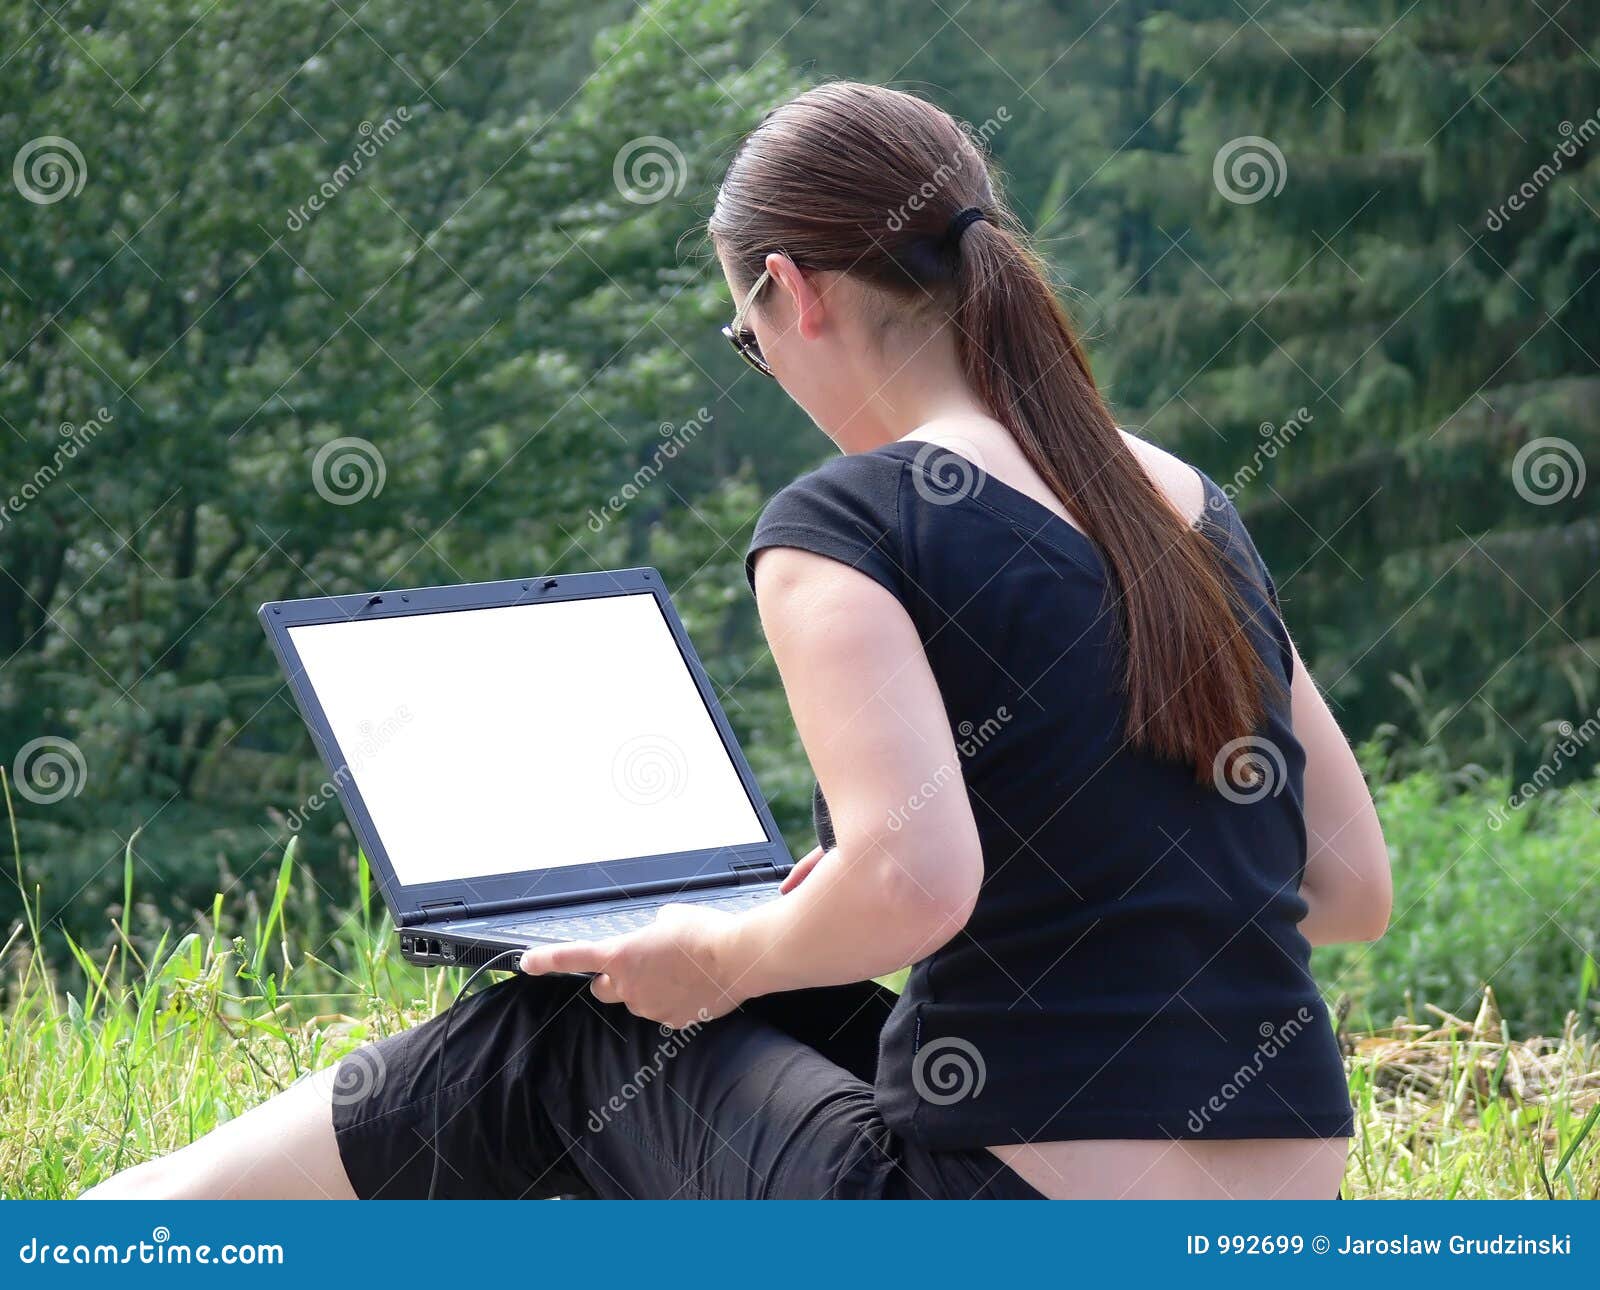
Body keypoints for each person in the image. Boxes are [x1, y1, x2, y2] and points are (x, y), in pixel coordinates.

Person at [83, 82, 1390, 1201]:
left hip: (995, 1216)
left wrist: (706, 949)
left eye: (742, 333)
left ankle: (135, 1225)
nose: (758, 353)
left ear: (789, 290)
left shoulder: (849, 517)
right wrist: (808, 926)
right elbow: (1347, 884)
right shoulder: (1181, 498)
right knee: (737, 1001)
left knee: (579, 1032)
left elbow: (919, 887)